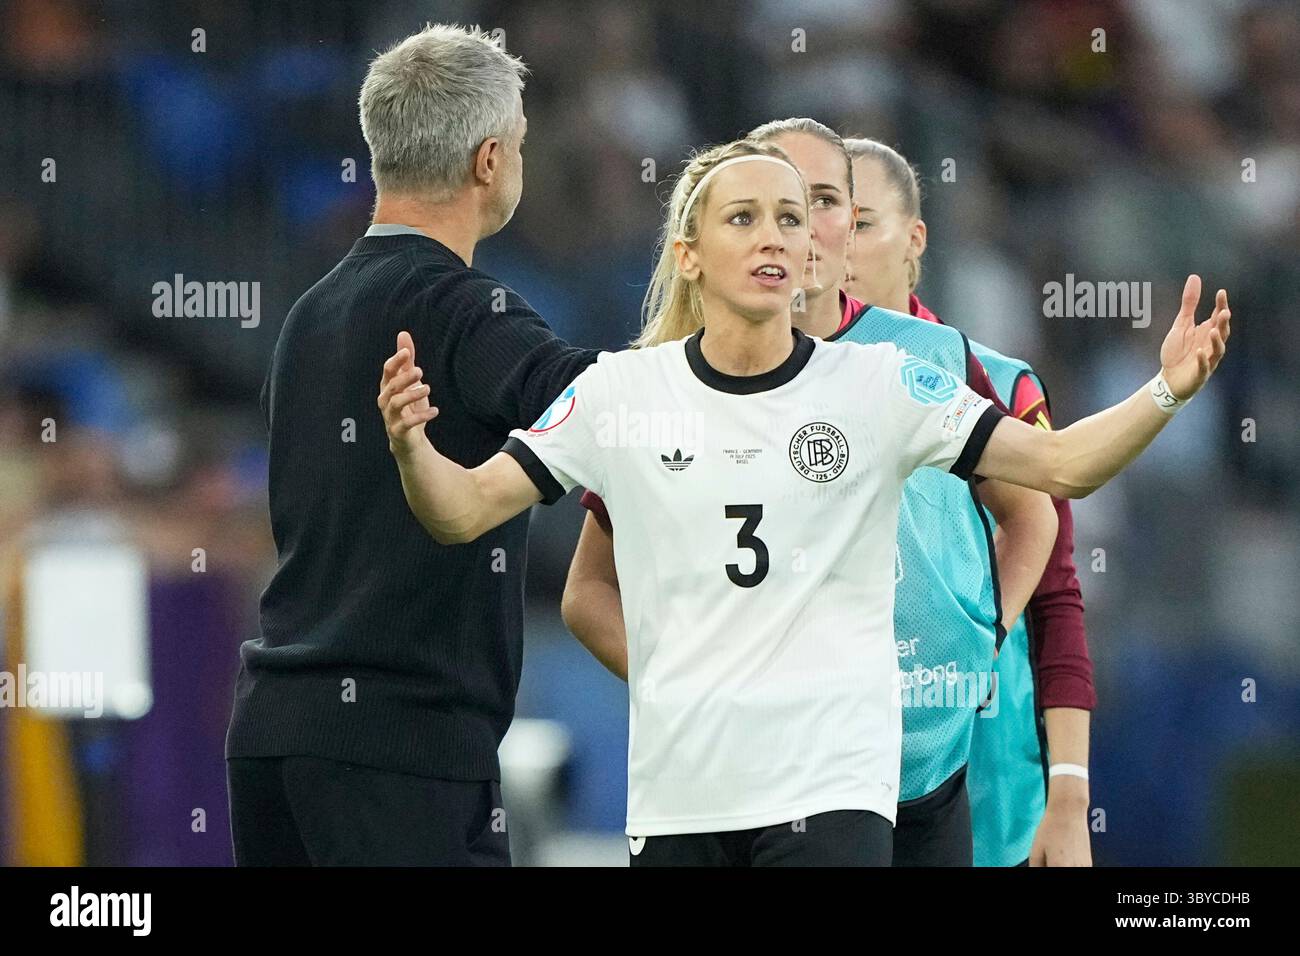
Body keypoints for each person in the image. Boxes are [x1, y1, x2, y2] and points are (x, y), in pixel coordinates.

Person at [378, 137, 1231, 866]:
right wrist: (415, 449)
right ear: (688, 252)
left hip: (833, 789)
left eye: (792, 218)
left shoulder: (882, 385)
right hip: (683, 797)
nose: (774, 236)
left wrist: (1166, 389)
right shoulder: (620, 393)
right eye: (742, 218)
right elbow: (463, 510)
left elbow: (1058, 467)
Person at [564, 118, 1059, 867]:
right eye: (763, 209)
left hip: (925, 758)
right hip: (764, 780)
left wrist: (983, 637)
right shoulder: (672, 384)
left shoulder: (923, 359)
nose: (798, 227)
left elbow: (1037, 506)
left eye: (824, 203)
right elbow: (587, 589)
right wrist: (698, 691)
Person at [224, 24, 598, 866]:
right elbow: (603, 407)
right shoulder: (468, 309)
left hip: (272, 736)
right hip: (401, 752)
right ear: (490, 159)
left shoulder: (305, 317)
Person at [843, 137, 1094, 867]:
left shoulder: (993, 380)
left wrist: (1070, 797)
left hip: (989, 781)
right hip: (830, 778)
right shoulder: (784, 385)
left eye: (863, 222)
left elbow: (1055, 594)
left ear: (914, 238)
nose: (841, 244)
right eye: (823, 217)